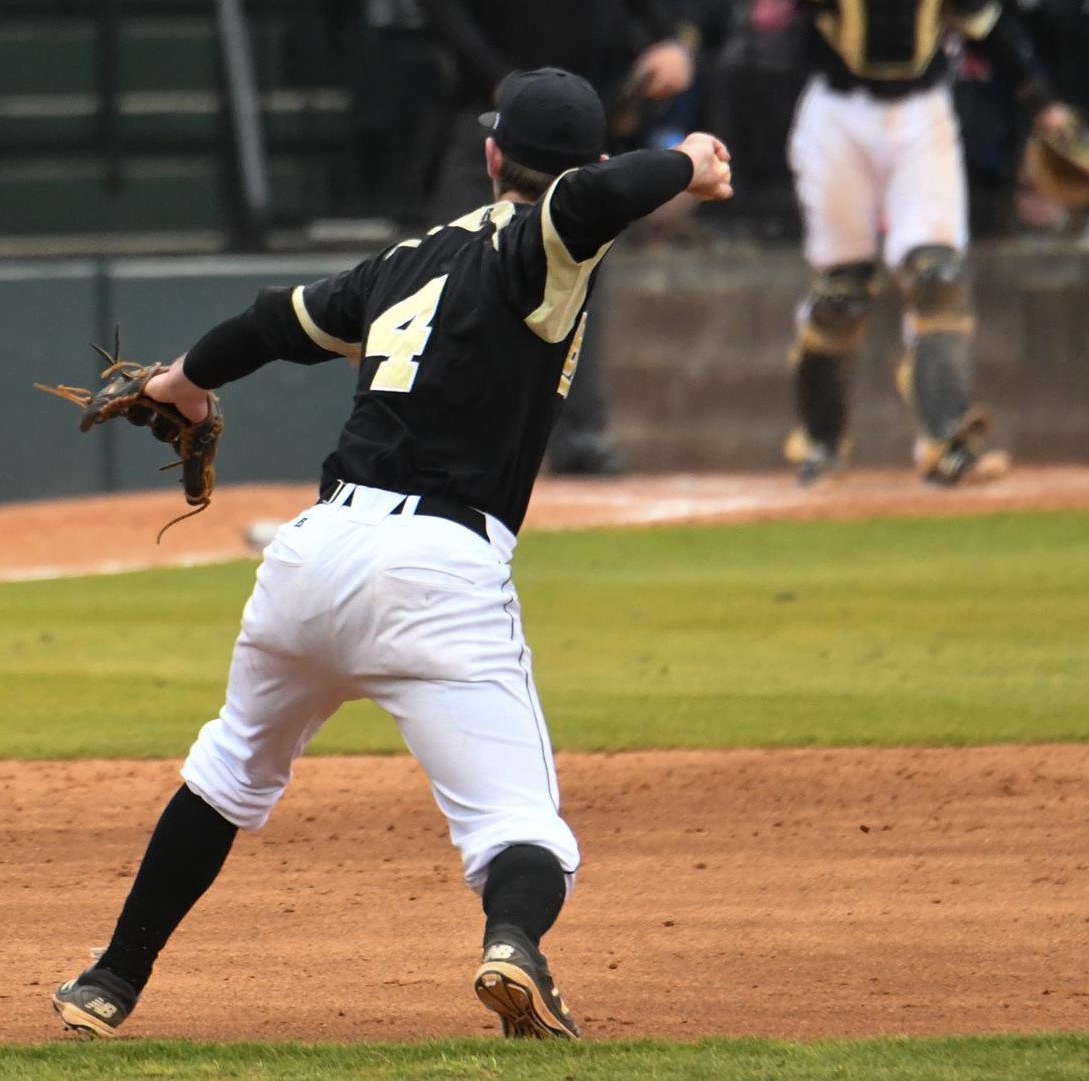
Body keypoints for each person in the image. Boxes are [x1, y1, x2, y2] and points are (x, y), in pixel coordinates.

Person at [49, 69, 734, 1041]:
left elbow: (268, 322)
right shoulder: (542, 244)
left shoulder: (407, 261)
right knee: (520, 830)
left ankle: (109, 979)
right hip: (436, 571)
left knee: (226, 775)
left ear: (490, 154)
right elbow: (594, 197)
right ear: (576, 167)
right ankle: (511, 947)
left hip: (312, 554)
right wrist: (687, 160)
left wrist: (179, 383)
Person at [783, 0, 1072, 486]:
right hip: (836, 114)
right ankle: (821, 442)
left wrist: (1042, 102)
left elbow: (984, 24)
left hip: (920, 114)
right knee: (840, 294)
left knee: (939, 275)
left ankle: (946, 439)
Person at [416, 0, 703, 477]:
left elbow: (667, 20)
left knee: (574, 273)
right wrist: (501, 79)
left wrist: (674, 42)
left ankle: (578, 438)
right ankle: (436, 435)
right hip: (486, 115)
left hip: (576, 118)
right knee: (452, 274)